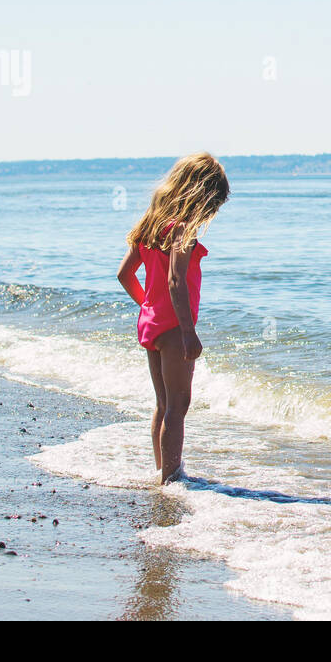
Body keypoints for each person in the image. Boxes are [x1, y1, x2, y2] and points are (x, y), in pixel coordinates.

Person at [117, 153, 230, 484]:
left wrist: (149, 307)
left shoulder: (151, 224)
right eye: (213, 206)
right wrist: (187, 331)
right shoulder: (182, 232)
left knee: (163, 404)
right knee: (178, 405)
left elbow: (124, 275)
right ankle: (172, 478)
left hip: (152, 324)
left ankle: (161, 471)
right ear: (200, 195)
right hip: (173, 329)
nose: (211, 214)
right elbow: (176, 280)